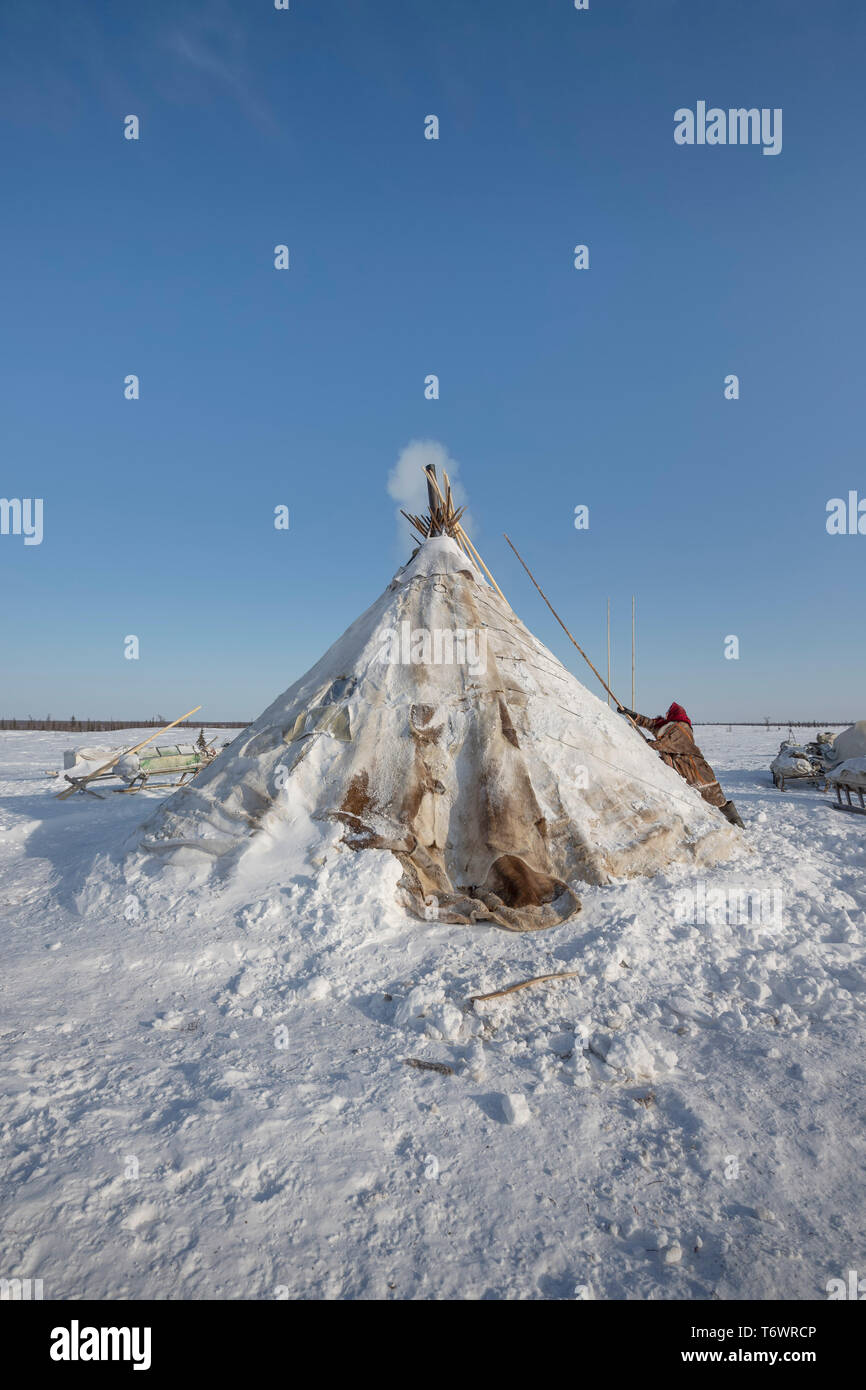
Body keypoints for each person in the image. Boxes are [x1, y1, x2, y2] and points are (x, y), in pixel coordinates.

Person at [618, 701, 744, 829]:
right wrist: (634, 716)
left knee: (713, 795)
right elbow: (650, 723)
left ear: (674, 713)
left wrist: (647, 744)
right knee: (691, 798)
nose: (666, 714)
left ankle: (736, 823)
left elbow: (668, 744)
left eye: (669, 712)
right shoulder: (666, 725)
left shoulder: (681, 728)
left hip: (694, 767)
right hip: (679, 767)